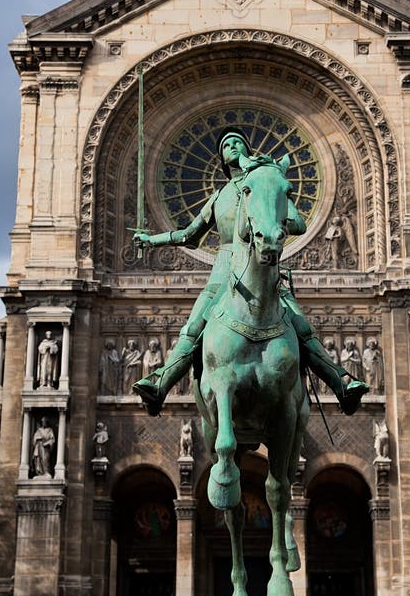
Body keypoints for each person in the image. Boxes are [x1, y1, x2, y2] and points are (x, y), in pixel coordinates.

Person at [133, 128, 368, 416]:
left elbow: (298, 223)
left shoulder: (265, 184)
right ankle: (160, 383)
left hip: (265, 270)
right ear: (221, 157)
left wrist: (274, 225)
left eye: (238, 142)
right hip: (222, 272)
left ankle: (341, 382)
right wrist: (151, 240)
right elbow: (189, 235)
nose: (232, 146)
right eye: (226, 145)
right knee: (193, 327)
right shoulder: (218, 196)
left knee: (302, 327)